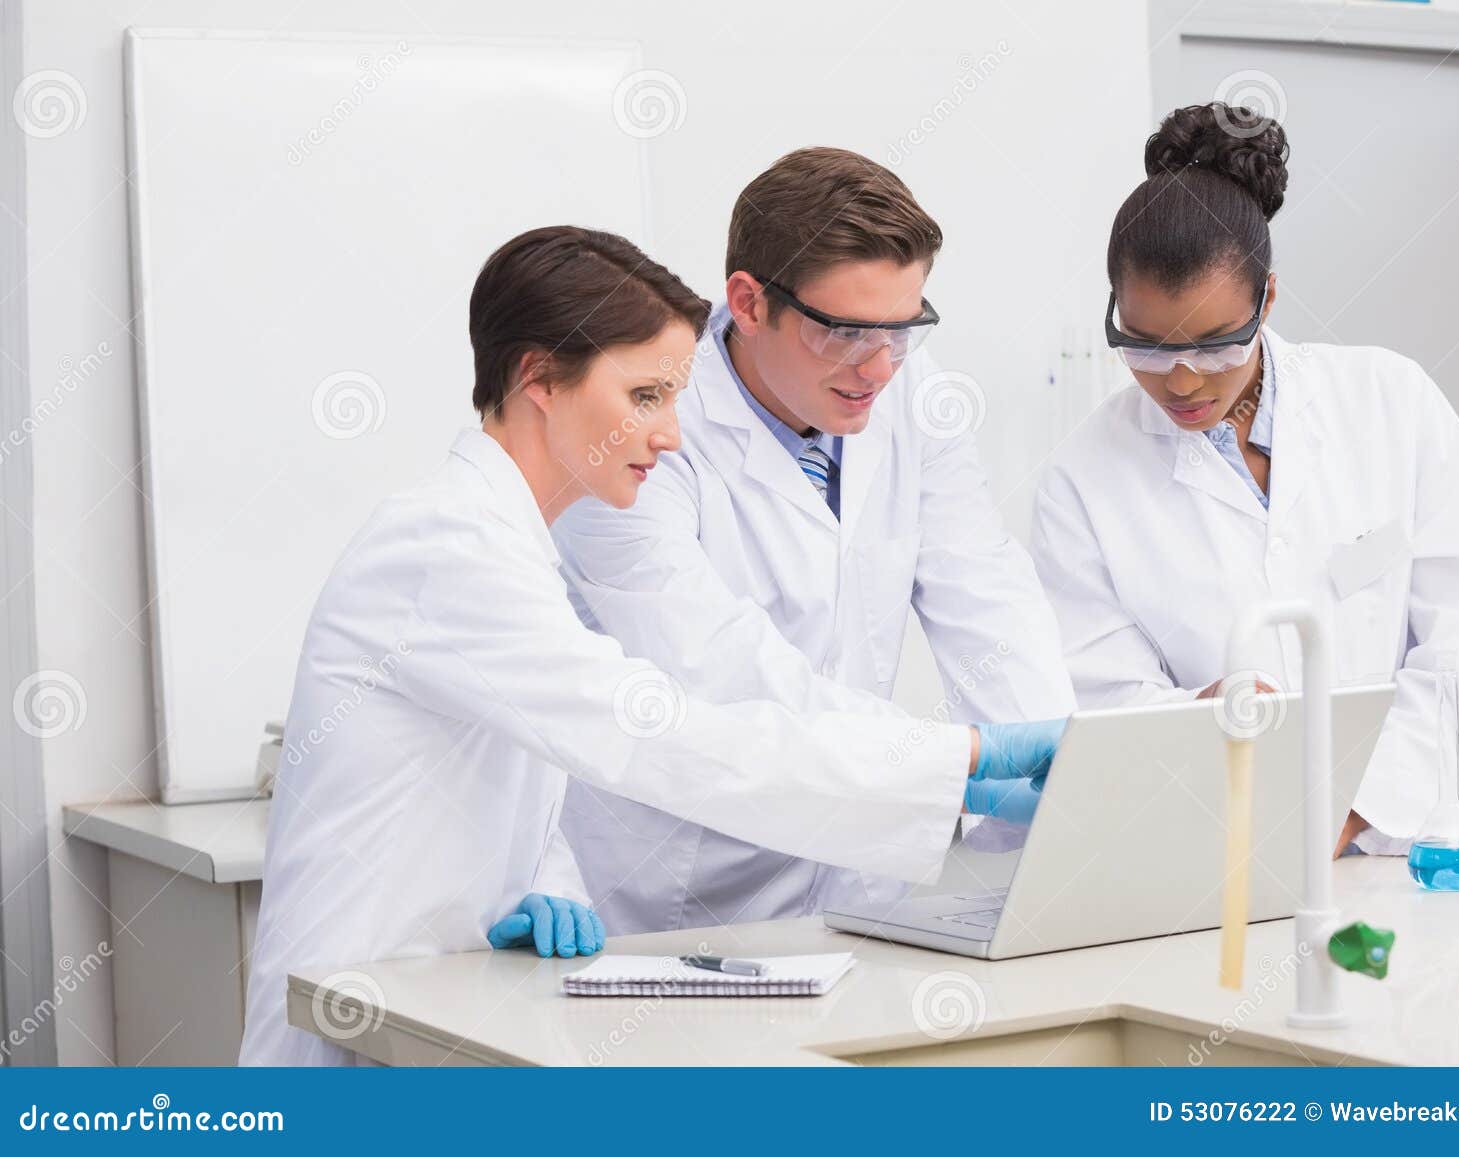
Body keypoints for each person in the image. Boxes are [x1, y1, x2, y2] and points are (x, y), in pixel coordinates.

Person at [239, 226, 1061, 1065]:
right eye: (644, 397)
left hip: (436, 1014)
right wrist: (956, 757)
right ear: (539, 379)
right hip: (348, 1031)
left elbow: (516, 780)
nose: (670, 435)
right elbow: (663, 736)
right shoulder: (447, 545)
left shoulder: (515, 544)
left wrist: (545, 885)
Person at [552, 148, 1078, 935]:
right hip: (673, 894)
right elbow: (714, 668)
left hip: (856, 888)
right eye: (848, 332)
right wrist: (954, 760)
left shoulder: (912, 395)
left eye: (904, 331)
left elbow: (985, 590)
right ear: (751, 302)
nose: (879, 368)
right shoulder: (642, 425)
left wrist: (1070, 793)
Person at [1031, 103, 1459, 856]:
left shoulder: (1391, 401)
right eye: (1146, 346)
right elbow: (1096, 696)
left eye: (1215, 344)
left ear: (1266, 300)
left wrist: (1347, 814)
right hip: (1211, 859)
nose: (1184, 379)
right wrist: (1189, 718)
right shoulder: (1082, 478)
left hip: (1390, 853)